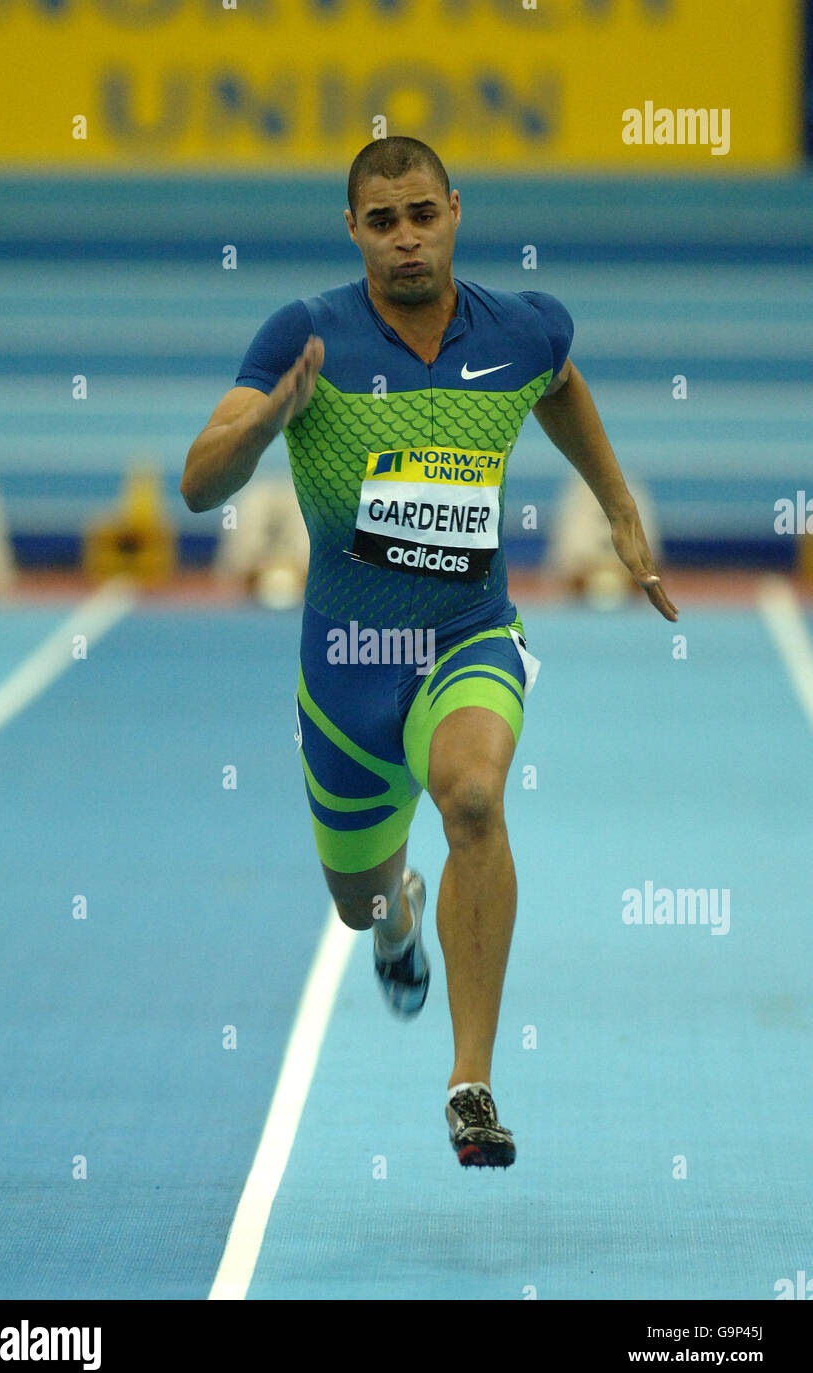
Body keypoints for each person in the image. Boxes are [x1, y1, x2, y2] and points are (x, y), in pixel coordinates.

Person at [181, 137, 678, 1168]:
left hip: (466, 638)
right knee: (356, 901)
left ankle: (470, 1083)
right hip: (348, 664)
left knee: (473, 801)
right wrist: (270, 416)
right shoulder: (304, 333)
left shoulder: (521, 327)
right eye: (380, 221)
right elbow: (197, 483)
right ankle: (395, 915)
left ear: (454, 211)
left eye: (421, 214)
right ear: (352, 230)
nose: (404, 238)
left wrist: (618, 508)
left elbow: (559, 387)